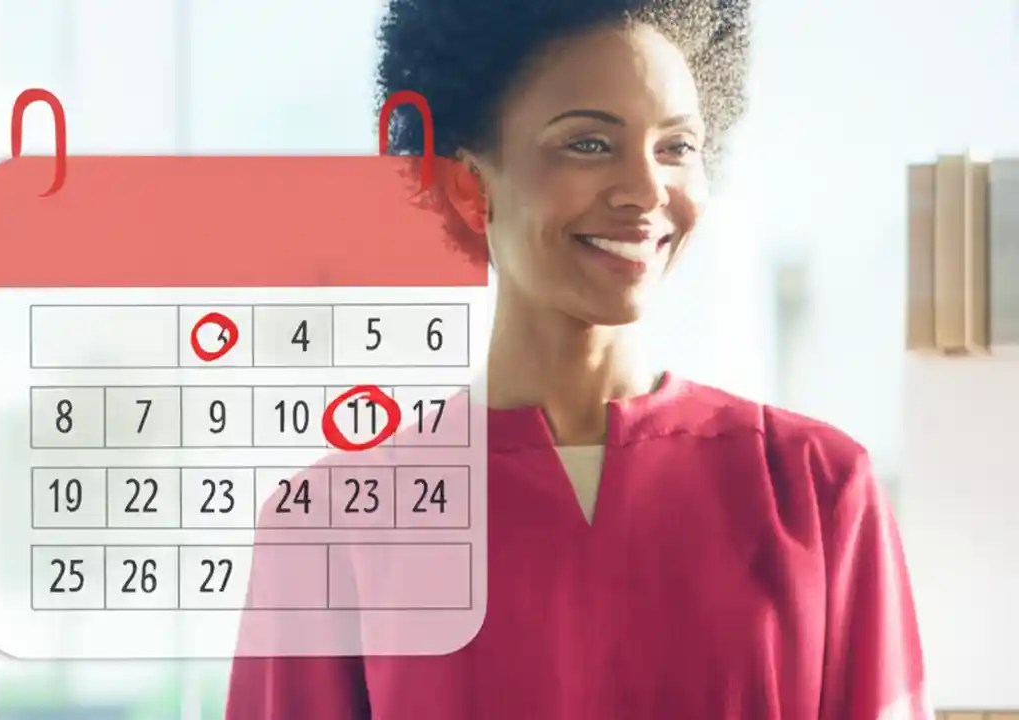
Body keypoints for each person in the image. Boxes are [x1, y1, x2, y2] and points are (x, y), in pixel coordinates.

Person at [225, 0, 930, 717]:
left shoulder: (818, 490)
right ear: (469, 185)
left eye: (676, 146)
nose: (647, 190)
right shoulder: (334, 526)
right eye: (589, 144)